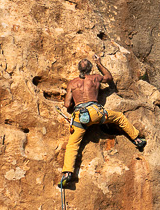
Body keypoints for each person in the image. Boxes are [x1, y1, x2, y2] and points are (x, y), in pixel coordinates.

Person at [58, 57, 144, 189]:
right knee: (119, 117)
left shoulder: (72, 83)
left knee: (73, 145)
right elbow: (108, 77)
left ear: (78, 69)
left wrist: (74, 105)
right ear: (90, 68)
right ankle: (137, 139)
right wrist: (99, 63)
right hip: (95, 112)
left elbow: (67, 104)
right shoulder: (95, 78)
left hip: (79, 116)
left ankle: (67, 173)